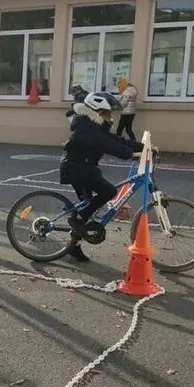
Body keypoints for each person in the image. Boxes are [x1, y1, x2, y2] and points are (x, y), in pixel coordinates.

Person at [60, 92, 144, 262]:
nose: (110, 117)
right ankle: (78, 219)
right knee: (108, 191)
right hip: (77, 169)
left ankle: (74, 245)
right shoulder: (86, 126)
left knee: (88, 206)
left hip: (85, 168)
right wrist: (131, 154)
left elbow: (116, 140)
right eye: (108, 113)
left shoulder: (94, 125)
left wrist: (143, 147)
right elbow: (106, 144)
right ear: (98, 112)